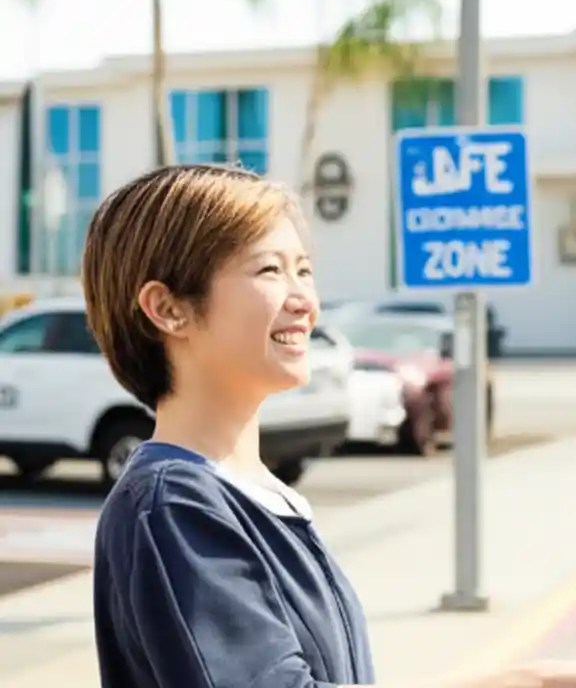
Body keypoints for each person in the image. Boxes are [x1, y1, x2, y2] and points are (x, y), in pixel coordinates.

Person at [85, 164, 378, 687]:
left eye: (304, 271)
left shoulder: (259, 496)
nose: (305, 303)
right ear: (167, 308)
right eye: (269, 271)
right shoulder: (172, 504)